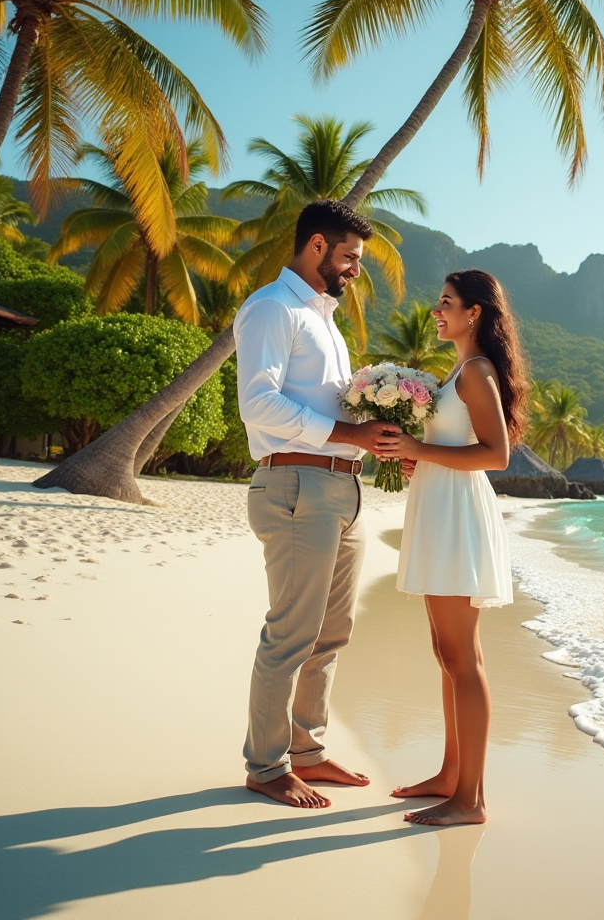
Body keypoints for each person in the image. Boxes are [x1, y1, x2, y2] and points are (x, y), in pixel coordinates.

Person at [233, 200, 403, 809]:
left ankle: (307, 751)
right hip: (296, 484)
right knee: (292, 633)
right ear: (317, 247)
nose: (356, 269)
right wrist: (350, 434)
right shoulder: (272, 309)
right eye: (350, 257)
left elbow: (326, 406)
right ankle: (266, 765)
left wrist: (380, 434)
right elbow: (258, 403)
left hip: (341, 488)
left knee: (331, 633)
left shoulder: (324, 320)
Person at [373, 269, 530, 825]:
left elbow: (496, 455)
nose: (437, 312)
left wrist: (420, 449)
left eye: (446, 303)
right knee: (448, 654)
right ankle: (450, 775)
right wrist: (418, 457)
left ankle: (471, 799)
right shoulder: (459, 370)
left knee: (462, 658)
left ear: (474, 313)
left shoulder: (477, 370)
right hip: (440, 506)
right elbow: (452, 444)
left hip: (458, 516)